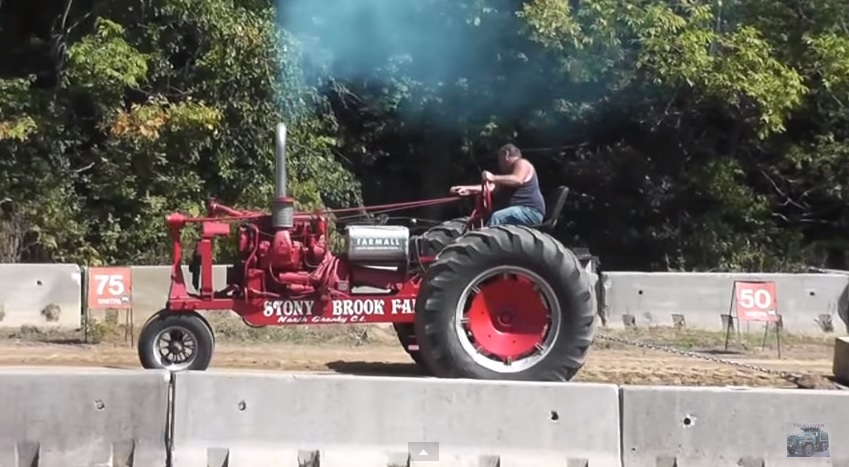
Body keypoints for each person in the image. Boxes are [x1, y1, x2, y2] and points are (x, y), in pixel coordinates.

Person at [450, 143, 546, 227]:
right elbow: (491, 188)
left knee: (497, 217)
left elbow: (518, 179)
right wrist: (467, 189)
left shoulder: (522, 163)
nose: (499, 163)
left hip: (530, 211)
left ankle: (483, 245)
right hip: (517, 211)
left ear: (506, 154)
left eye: (499, 159)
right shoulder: (507, 175)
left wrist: (493, 177)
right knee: (482, 218)